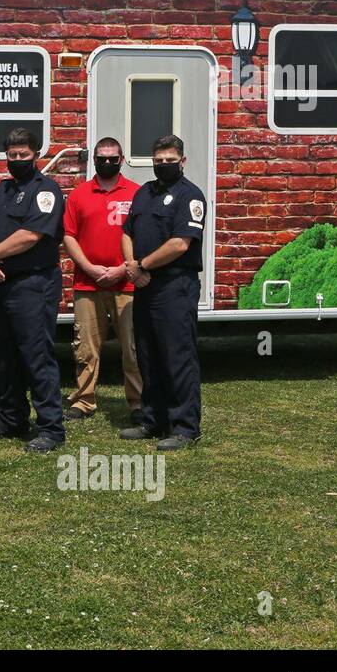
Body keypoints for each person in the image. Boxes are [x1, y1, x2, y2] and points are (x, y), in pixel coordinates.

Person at [0, 127, 67, 453]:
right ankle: (12, 418)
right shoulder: (0, 190)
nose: (16, 160)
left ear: (36, 155)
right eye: (11, 155)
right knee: (4, 355)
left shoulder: (47, 190)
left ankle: (51, 428)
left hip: (33, 284)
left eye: (23, 155)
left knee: (36, 356)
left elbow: (31, 235)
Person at [119, 134, 207, 451]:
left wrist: (142, 265)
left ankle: (185, 427)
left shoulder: (190, 196)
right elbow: (127, 231)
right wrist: (132, 265)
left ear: (182, 161)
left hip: (174, 285)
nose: (164, 165)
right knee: (148, 354)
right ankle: (153, 420)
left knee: (177, 356)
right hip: (144, 284)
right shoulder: (144, 193)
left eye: (170, 161)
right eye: (159, 161)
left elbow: (179, 244)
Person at [62, 137, 144, 424]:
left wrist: (123, 269)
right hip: (88, 282)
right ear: (94, 159)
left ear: (122, 160)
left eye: (112, 158)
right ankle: (84, 400)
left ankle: (138, 402)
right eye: (101, 158)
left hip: (127, 283)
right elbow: (69, 235)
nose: (107, 163)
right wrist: (89, 267)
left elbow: (142, 238)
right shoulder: (79, 194)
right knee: (84, 347)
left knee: (133, 347)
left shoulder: (137, 193)